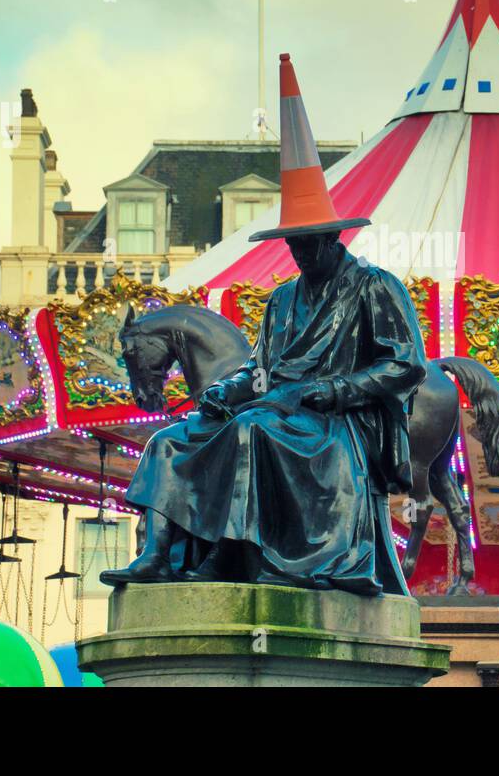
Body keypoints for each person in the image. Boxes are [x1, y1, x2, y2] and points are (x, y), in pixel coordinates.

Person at [101, 54, 425, 596]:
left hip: (336, 422)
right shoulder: (281, 301)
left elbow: (407, 363)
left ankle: (234, 556)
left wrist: (336, 388)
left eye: (305, 245)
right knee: (168, 440)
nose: (297, 256)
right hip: (278, 410)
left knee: (252, 431)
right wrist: (225, 390)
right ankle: (156, 555)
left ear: (332, 238)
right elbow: (259, 368)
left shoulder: (373, 287)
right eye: (291, 245)